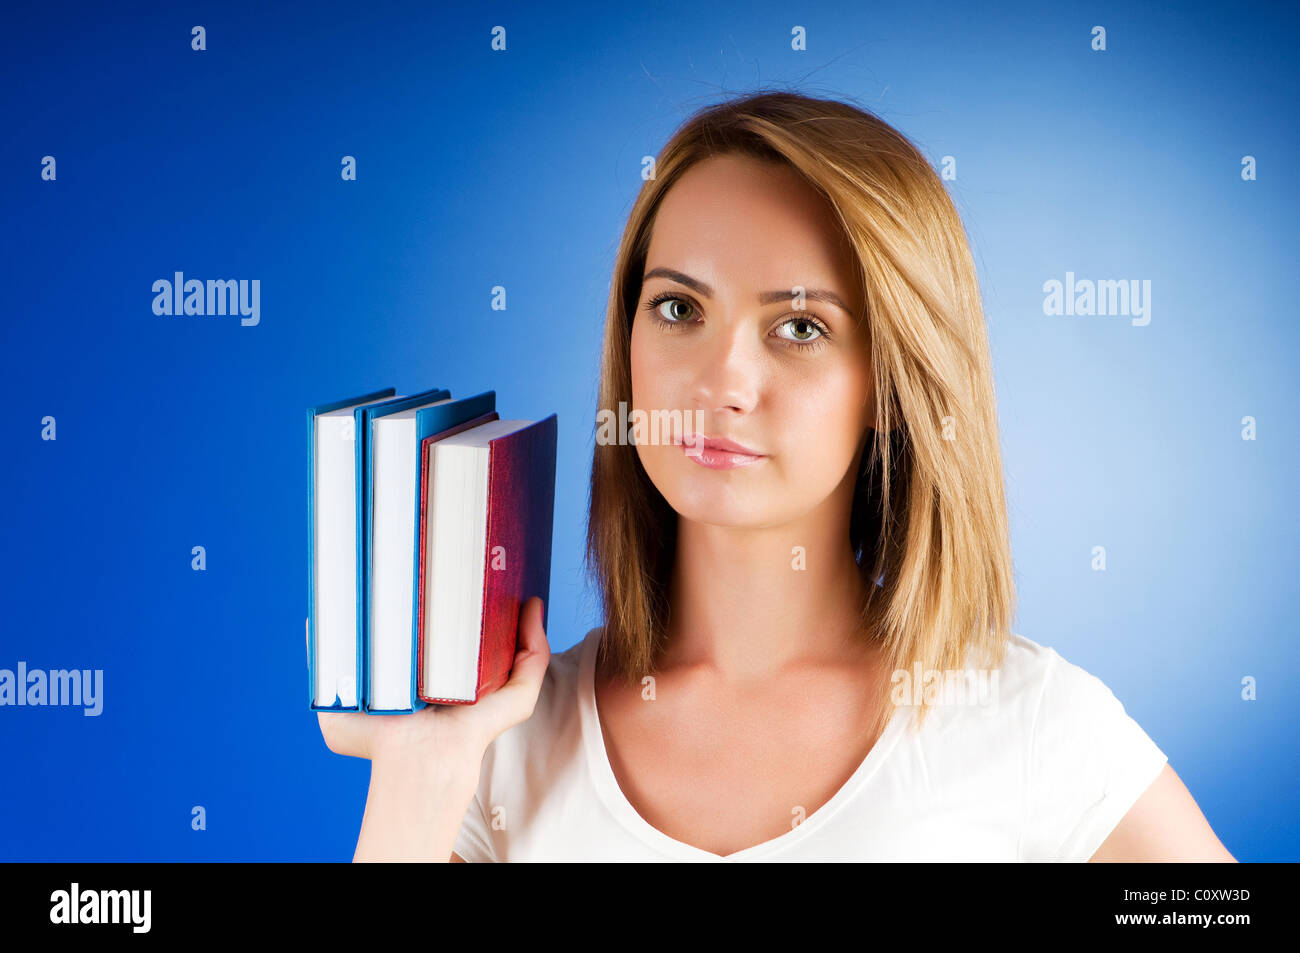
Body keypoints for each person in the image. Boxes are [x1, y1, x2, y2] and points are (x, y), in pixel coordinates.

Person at [318, 89, 1236, 862]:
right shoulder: (499, 745)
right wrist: (420, 765)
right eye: (678, 307)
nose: (723, 383)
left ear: (893, 382)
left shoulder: (1036, 725)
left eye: (800, 327)